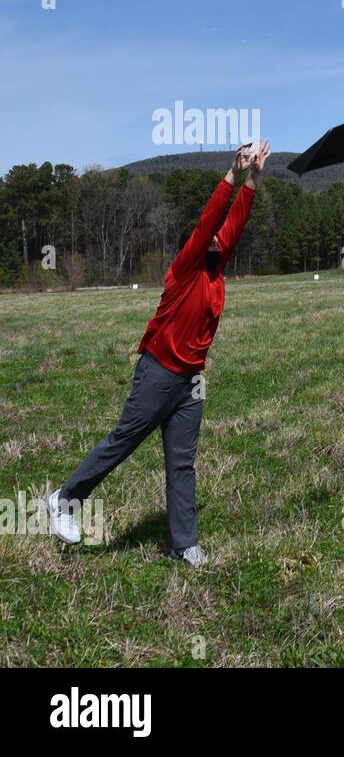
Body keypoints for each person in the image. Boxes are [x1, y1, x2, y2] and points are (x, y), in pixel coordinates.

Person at [47, 141, 269, 565]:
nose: (221, 240)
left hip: (192, 381)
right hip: (160, 372)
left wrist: (254, 179)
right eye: (212, 239)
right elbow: (211, 223)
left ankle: (183, 545)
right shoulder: (185, 270)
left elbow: (233, 224)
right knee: (125, 439)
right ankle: (64, 497)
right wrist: (231, 175)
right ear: (195, 246)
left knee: (182, 463)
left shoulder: (216, 273)